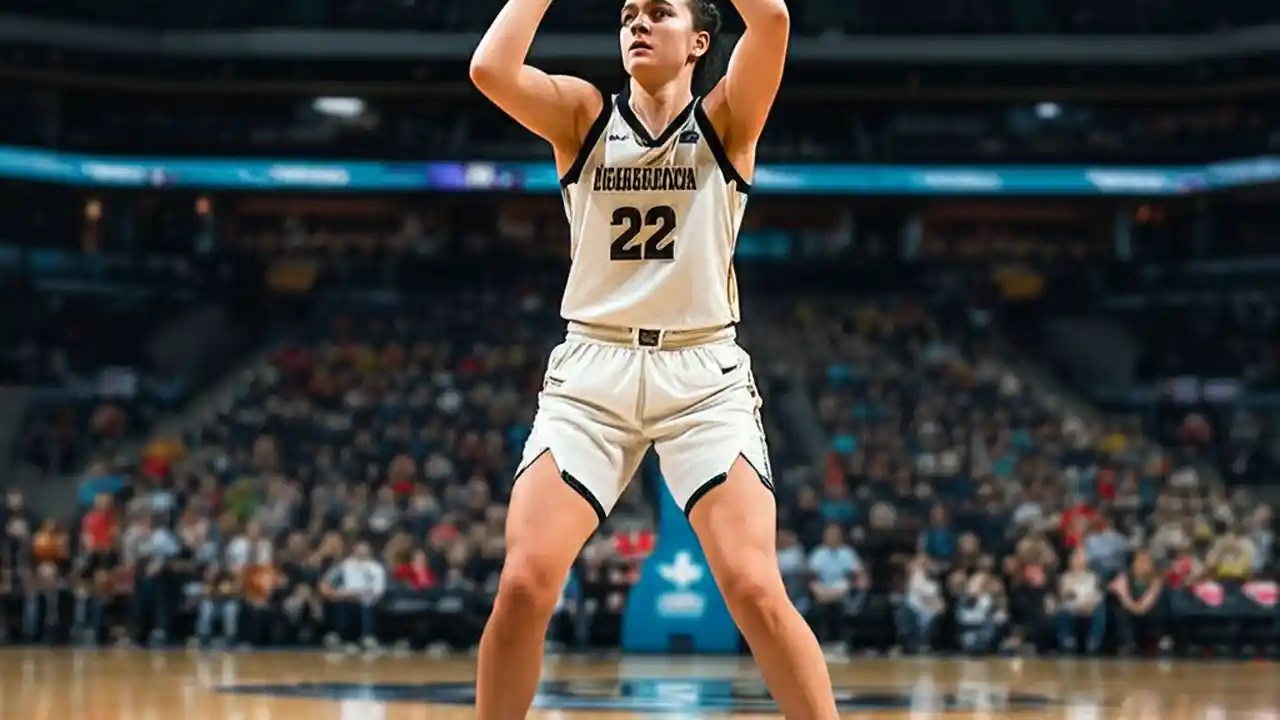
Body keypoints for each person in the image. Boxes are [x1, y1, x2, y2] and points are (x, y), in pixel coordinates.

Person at [469, 0, 839, 716]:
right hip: (592, 373)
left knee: (755, 588)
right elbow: (490, 69)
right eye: (627, 14)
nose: (636, 23)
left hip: (701, 376)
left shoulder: (728, 118)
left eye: (658, 13)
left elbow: (775, 22)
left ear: (699, 40)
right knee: (523, 584)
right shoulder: (582, 115)